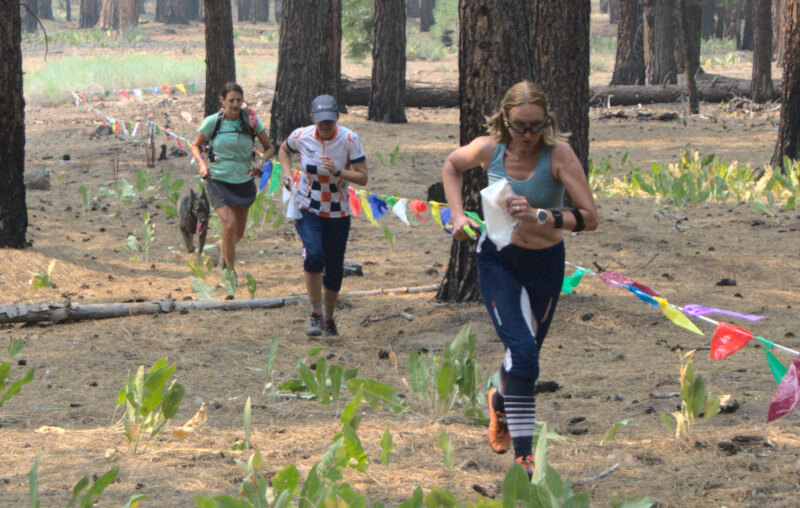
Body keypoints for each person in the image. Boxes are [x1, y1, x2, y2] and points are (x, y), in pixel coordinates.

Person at [441, 81, 598, 476]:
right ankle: (524, 457)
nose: (528, 135)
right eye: (519, 126)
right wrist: (458, 216)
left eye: (535, 126)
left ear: (547, 121)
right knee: (524, 353)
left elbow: (590, 217)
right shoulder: (488, 149)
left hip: (545, 264)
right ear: (504, 120)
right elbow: (451, 166)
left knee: (525, 362)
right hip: (499, 261)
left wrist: (542, 215)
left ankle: (499, 401)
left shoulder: (558, 154)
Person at [277, 95, 369, 337]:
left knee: (335, 267)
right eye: (321, 122)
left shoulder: (349, 139)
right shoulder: (302, 136)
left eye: (330, 121)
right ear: (313, 119)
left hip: (338, 211)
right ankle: (315, 313)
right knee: (314, 255)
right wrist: (286, 175)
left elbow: (363, 176)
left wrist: (339, 171)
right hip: (308, 207)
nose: (326, 127)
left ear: (337, 118)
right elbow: (284, 150)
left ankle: (329, 317)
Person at [190, 82, 274, 287]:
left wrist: (260, 162)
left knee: (238, 233)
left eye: (239, 100)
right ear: (222, 101)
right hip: (218, 179)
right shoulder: (213, 122)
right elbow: (195, 145)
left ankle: (223, 251)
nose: (236, 104)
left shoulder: (251, 122)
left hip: (244, 179)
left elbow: (270, 148)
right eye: (231, 100)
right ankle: (230, 271)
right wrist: (202, 164)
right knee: (229, 224)